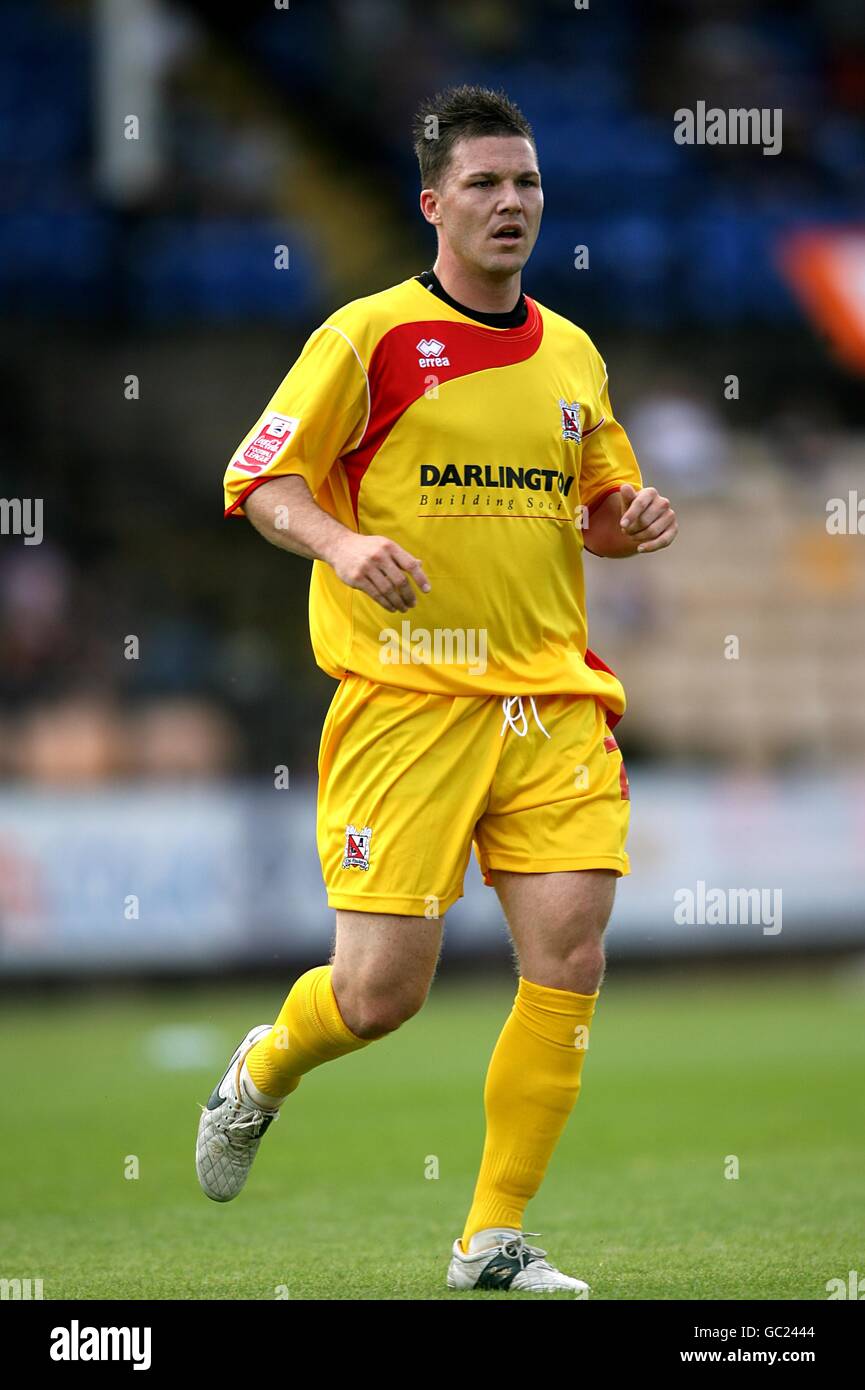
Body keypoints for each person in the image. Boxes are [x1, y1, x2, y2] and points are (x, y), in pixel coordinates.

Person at [198, 84, 678, 1294]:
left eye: (523, 183)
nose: (510, 203)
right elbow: (262, 484)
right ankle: (263, 1067)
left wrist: (630, 516)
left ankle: (489, 1239)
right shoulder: (366, 338)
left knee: (568, 957)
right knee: (377, 996)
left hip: (552, 701)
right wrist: (344, 544)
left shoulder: (570, 350)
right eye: (484, 185)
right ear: (432, 205)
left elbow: (596, 508)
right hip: (409, 701)